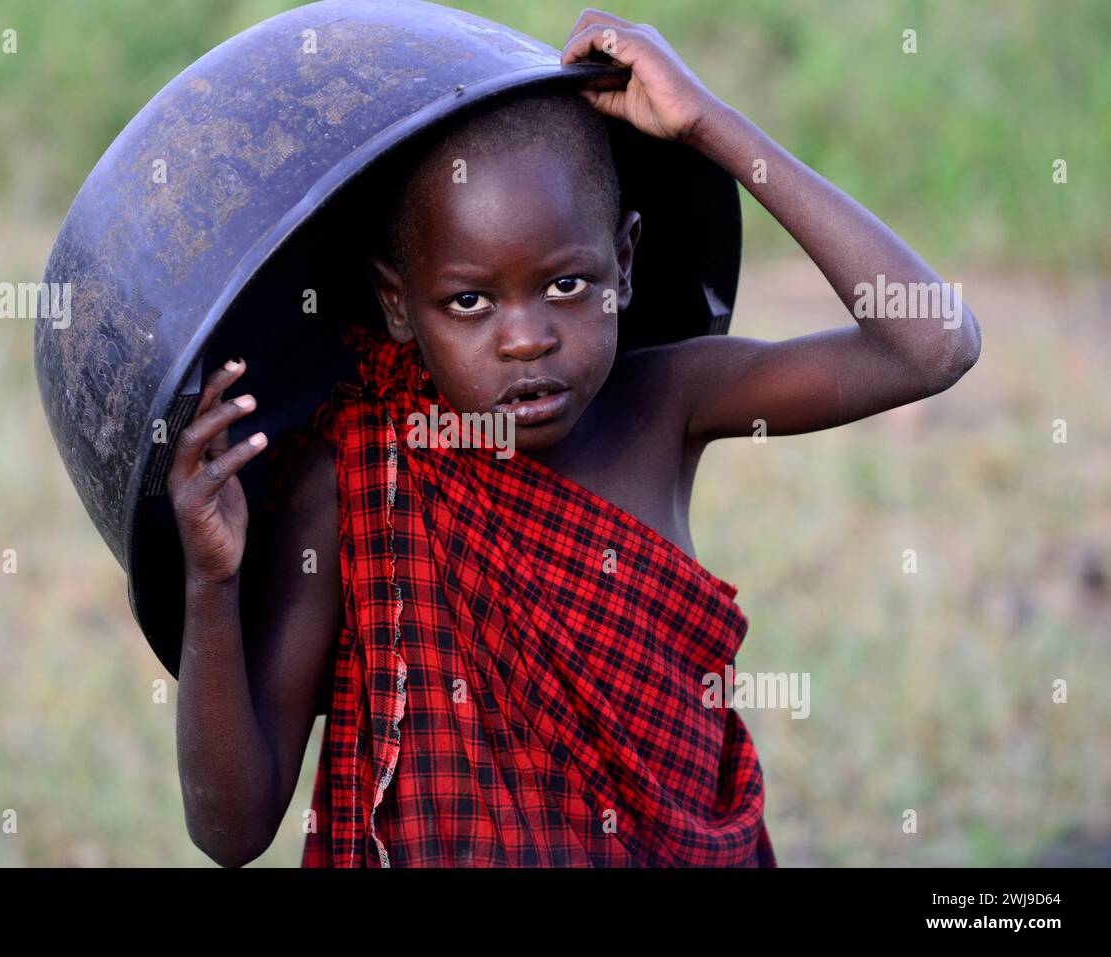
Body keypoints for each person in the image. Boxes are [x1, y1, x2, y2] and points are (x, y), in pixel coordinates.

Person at [167, 8, 981, 867]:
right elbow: (233, 829)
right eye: (470, 302)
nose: (527, 339)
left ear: (623, 264)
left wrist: (710, 124)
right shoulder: (359, 471)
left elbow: (932, 344)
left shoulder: (669, 400)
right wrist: (211, 584)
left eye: (566, 283)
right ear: (398, 303)